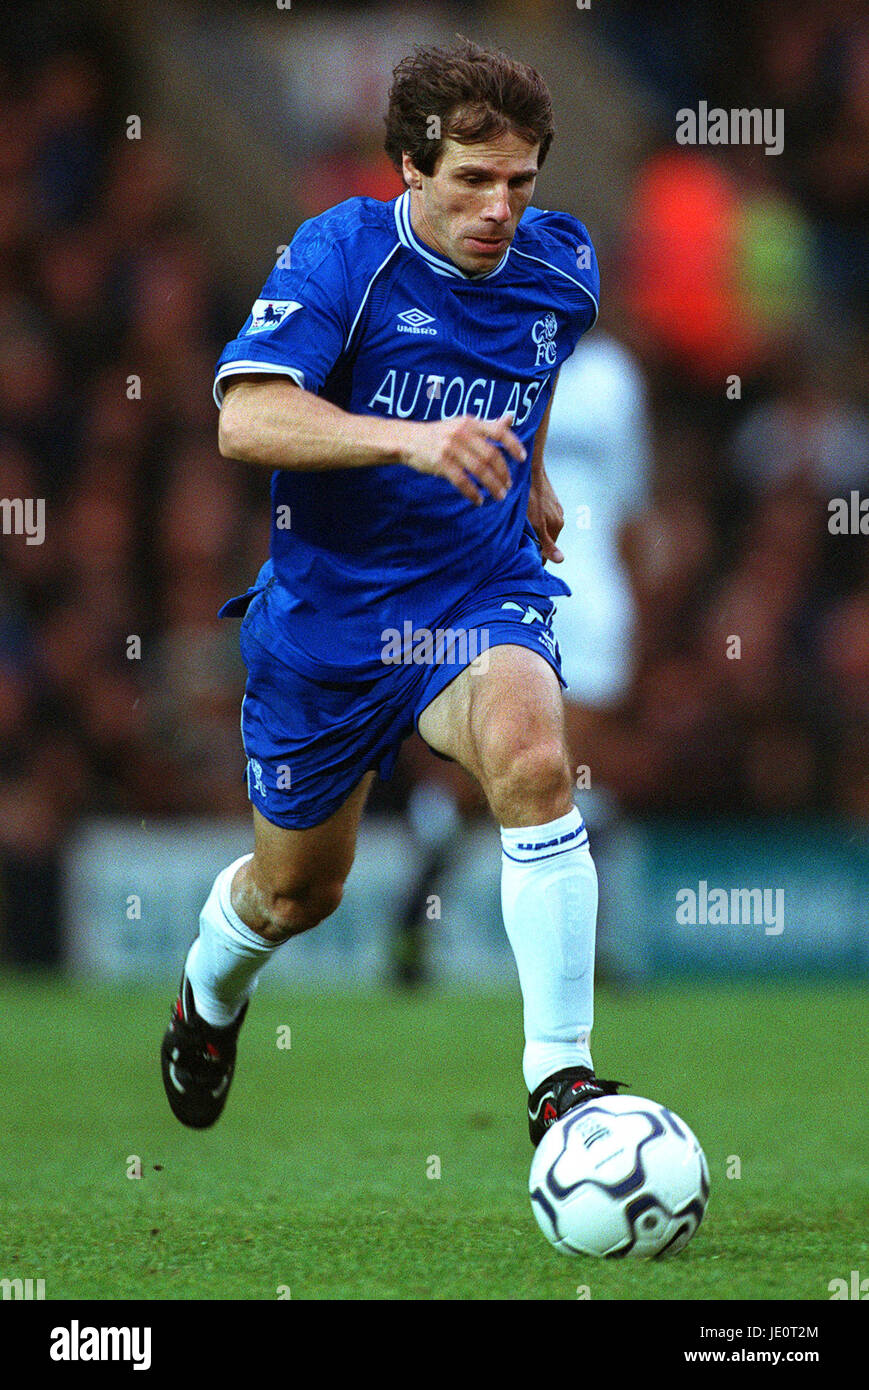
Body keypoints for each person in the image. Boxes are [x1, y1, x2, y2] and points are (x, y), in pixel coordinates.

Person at [160, 38, 623, 1144]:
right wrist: (408, 441)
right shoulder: (341, 253)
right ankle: (209, 993)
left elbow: (535, 362)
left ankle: (559, 1081)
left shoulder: (562, 268)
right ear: (410, 167)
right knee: (297, 893)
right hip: (329, 621)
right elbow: (247, 417)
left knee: (531, 754)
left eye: (518, 182)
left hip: (473, 590)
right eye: (470, 180)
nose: (498, 209)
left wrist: (535, 468)